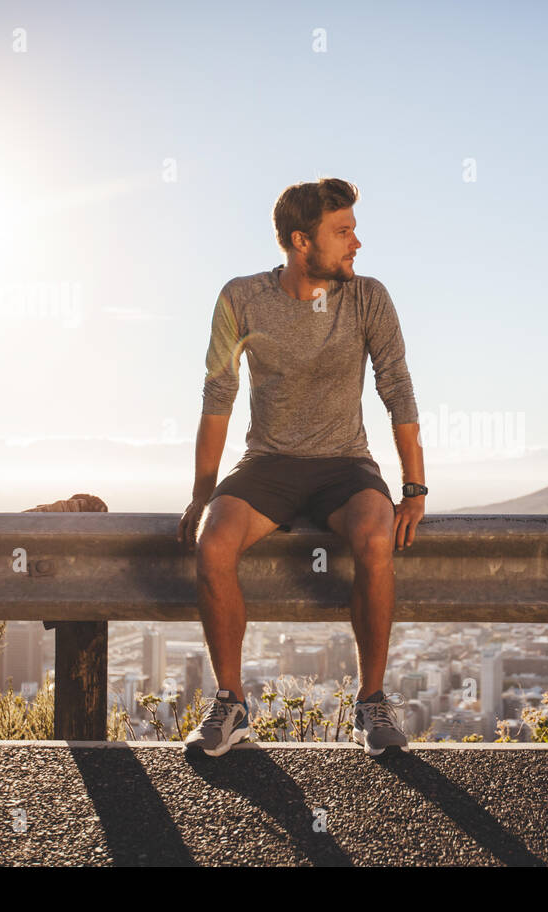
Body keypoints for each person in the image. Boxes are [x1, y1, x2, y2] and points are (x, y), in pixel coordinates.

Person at [175, 177, 427, 757]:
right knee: (212, 543)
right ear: (300, 241)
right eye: (343, 232)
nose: (356, 243)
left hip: (345, 466)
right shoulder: (240, 298)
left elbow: (398, 390)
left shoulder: (369, 298)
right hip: (268, 464)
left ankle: (371, 704)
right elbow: (218, 397)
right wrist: (203, 494)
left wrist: (413, 489)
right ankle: (231, 705)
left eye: (354, 230)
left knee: (374, 533)